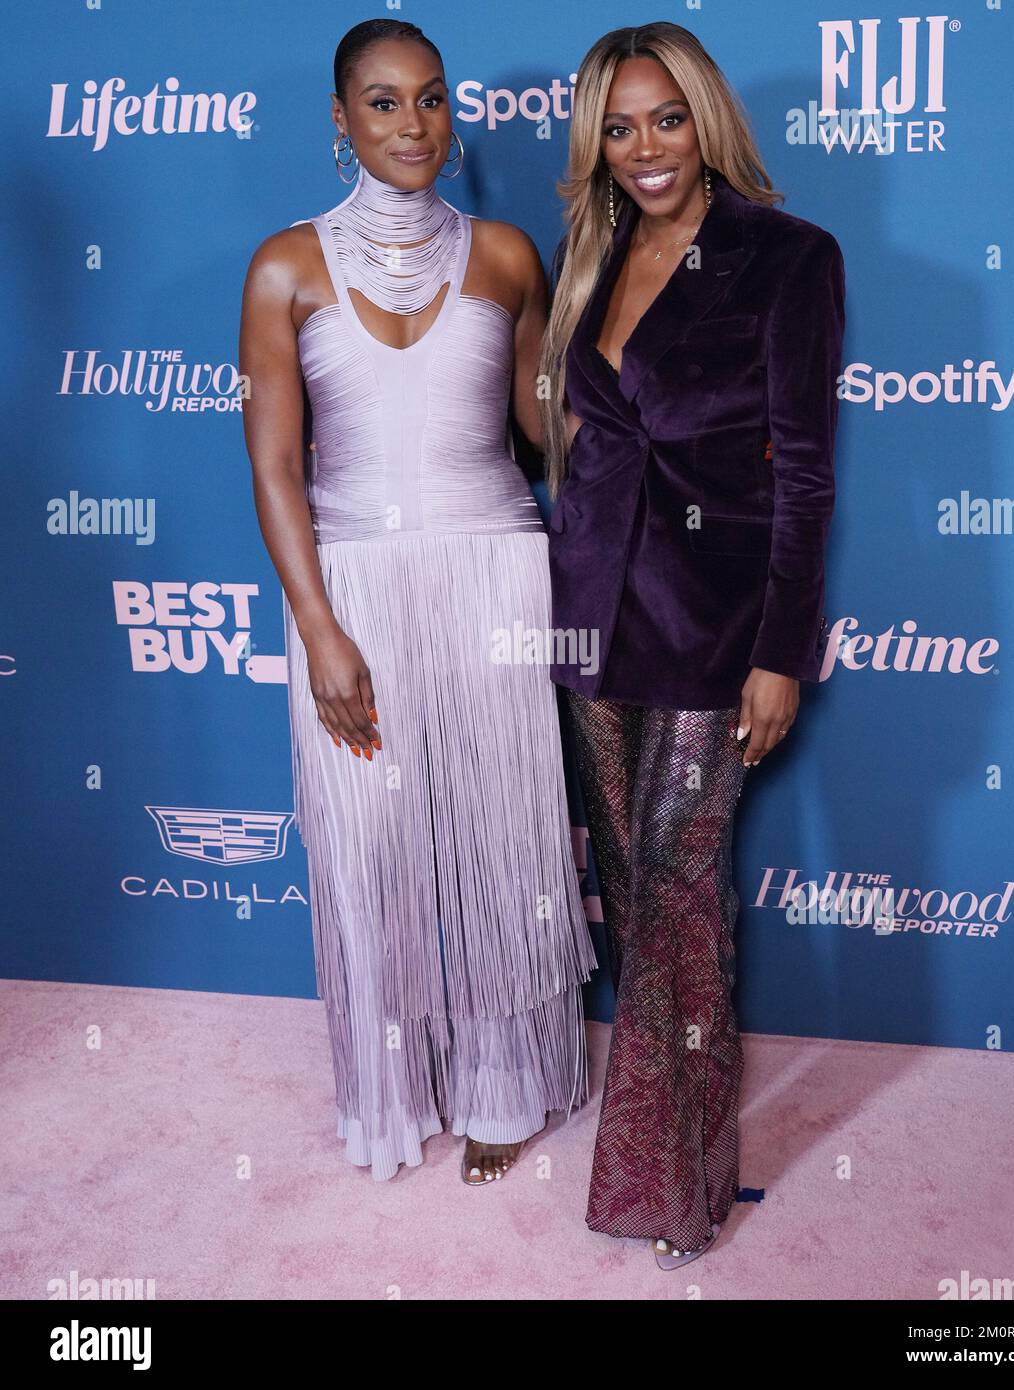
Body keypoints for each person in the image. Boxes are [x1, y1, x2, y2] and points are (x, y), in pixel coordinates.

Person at [239, 18, 597, 1186]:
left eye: (433, 100)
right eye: (384, 103)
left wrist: (637, 382)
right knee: (369, 843)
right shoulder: (283, 267)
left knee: (503, 836)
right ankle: (393, 1090)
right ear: (339, 121)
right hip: (351, 586)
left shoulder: (504, 254)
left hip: (495, 565)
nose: (413, 125)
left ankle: (504, 1082)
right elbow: (274, 468)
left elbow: (547, 432)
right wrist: (319, 629)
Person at [540, 22, 845, 1266]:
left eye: (664, 118)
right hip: (586, 620)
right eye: (617, 126)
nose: (643, 147)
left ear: (705, 120)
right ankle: (678, 1164)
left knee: (678, 900)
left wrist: (778, 649)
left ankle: (672, 1186)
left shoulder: (786, 257)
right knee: (635, 897)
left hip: (711, 626)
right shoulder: (592, 250)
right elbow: (580, 446)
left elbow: (808, 475)